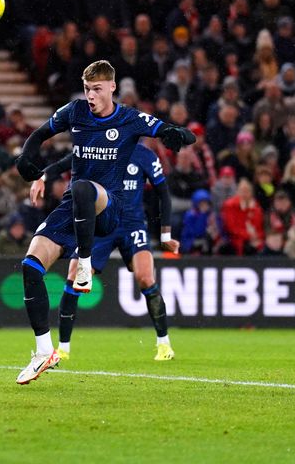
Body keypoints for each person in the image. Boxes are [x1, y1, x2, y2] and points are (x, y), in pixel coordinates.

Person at [13, 60, 194, 384]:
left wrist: (176, 132)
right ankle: (44, 351)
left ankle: (86, 265)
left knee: (84, 188)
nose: (91, 96)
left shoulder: (129, 118)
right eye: (87, 89)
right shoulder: (76, 111)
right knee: (30, 266)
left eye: (97, 89)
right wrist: (27, 159)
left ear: (112, 87)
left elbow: (170, 132)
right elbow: (40, 134)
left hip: (110, 207)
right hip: (73, 207)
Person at [32, 143, 177, 362]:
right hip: (101, 224)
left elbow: (163, 193)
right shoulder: (96, 148)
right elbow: (63, 164)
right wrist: (41, 177)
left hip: (132, 225)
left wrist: (165, 235)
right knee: (74, 276)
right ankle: (63, 348)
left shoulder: (144, 155)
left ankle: (164, 343)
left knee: (146, 279)